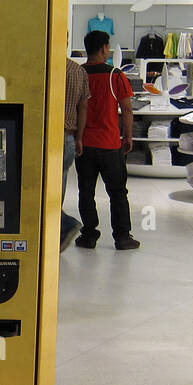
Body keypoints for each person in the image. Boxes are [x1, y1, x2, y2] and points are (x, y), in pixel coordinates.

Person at [75, 30, 139, 251]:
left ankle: (89, 235)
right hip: (110, 144)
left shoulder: (78, 74)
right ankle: (122, 237)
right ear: (103, 48)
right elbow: (127, 109)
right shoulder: (115, 76)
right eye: (108, 46)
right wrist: (128, 136)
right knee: (118, 192)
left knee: (86, 191)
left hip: (84, 144)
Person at [60, 46, 90, 250]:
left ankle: (64, 225)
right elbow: (83, 107)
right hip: (67, 137)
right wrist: (79, 138)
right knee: (57, 189)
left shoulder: (41, 66)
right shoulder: (77, 70)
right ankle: (58, 230)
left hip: (45, 136)